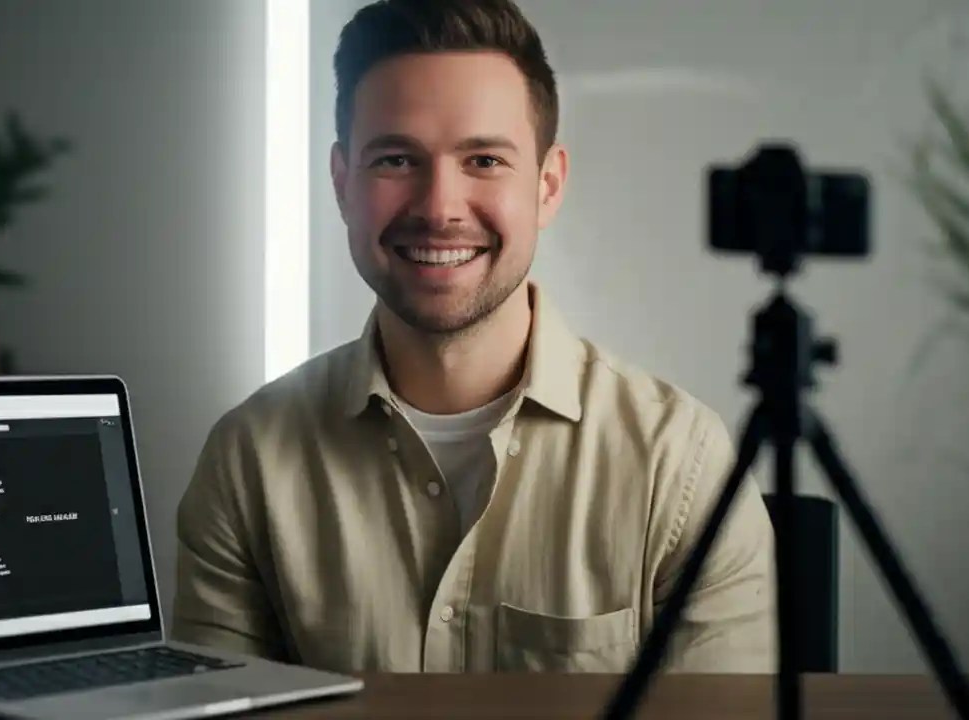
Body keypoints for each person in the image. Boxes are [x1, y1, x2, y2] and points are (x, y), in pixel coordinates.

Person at [171, 0, 775, 674]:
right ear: (342, 184)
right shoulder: (246, 461)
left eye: (484, 160)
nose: (438, 208)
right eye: (396, 160)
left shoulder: (679, 465)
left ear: (547, 187)